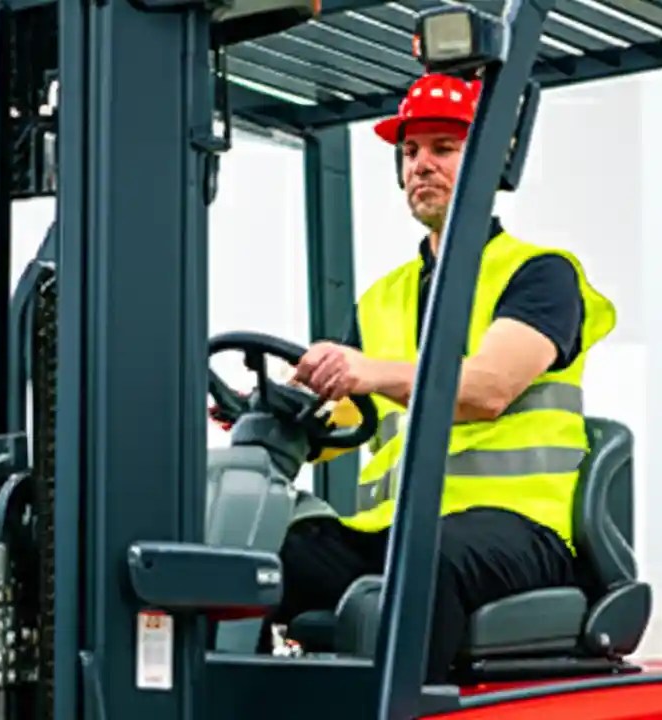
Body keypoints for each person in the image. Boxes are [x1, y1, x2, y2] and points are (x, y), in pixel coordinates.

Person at [246, 73, 616, 683]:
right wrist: (273, 409)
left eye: (443, 148)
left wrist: (365, 370)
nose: (421, 165)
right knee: (263, 555)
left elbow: (488, 388)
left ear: (490, 161)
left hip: (517, 529)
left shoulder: (539, 275)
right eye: (410, 151)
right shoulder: (382, 298)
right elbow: (341, 414)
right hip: (400, 528)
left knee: (420, 565)